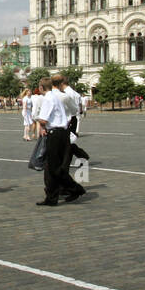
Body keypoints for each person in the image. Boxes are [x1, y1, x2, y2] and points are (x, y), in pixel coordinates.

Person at [35, 74, 85, 204]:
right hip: (63, 132)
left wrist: (36, 118)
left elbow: (43, 119)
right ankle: (53, 196)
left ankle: (74, 189)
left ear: (41, 87)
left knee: (53, 167)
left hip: (55, 134)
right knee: (54, 167)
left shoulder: (48, 98)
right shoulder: (58, 96)